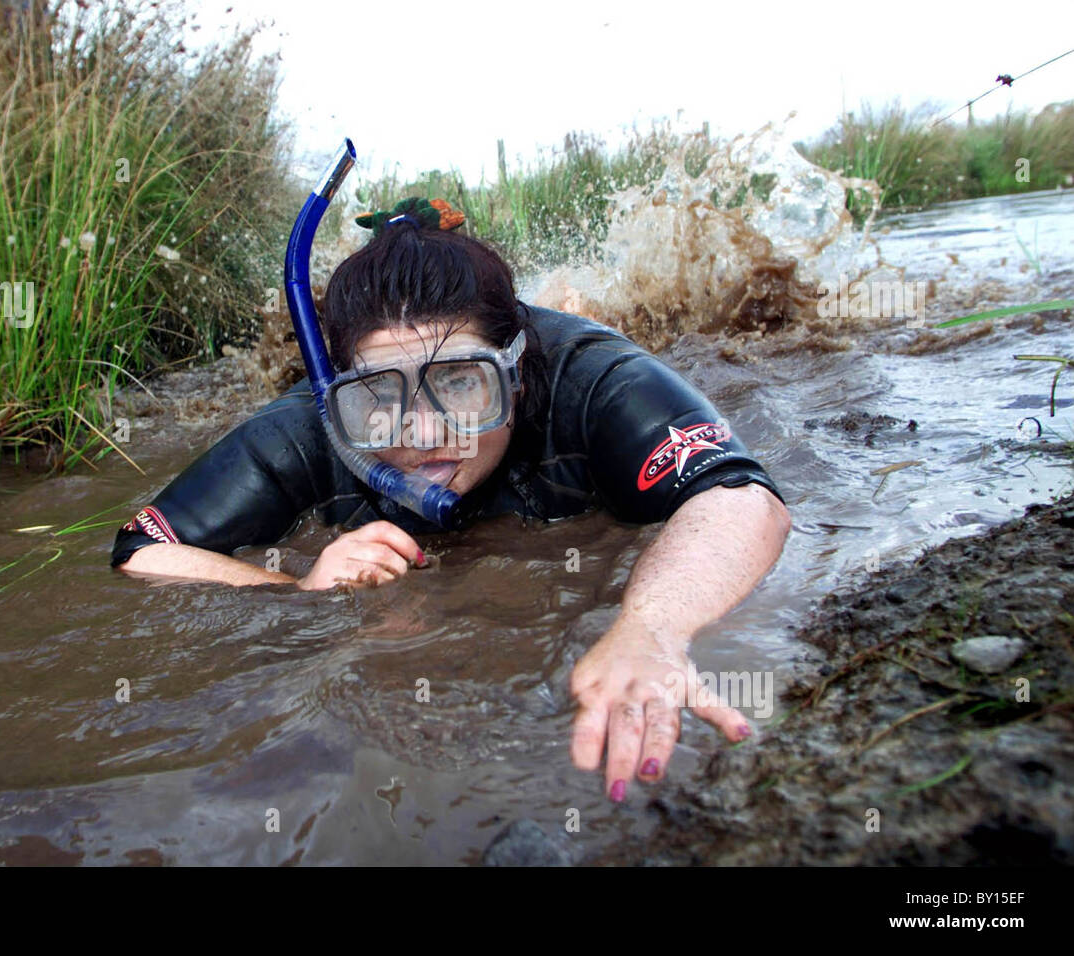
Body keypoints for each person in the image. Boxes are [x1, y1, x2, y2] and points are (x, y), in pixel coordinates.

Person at [112, 198, 792, 801]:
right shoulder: (309, 425)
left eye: (463, 384)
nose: (426, 434)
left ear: (517, 369)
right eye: (381, 397)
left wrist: (652, 630)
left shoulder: (590, 376)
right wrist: (292, 587)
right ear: (339, 392)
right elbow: (144, 550)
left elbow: (737, 496)